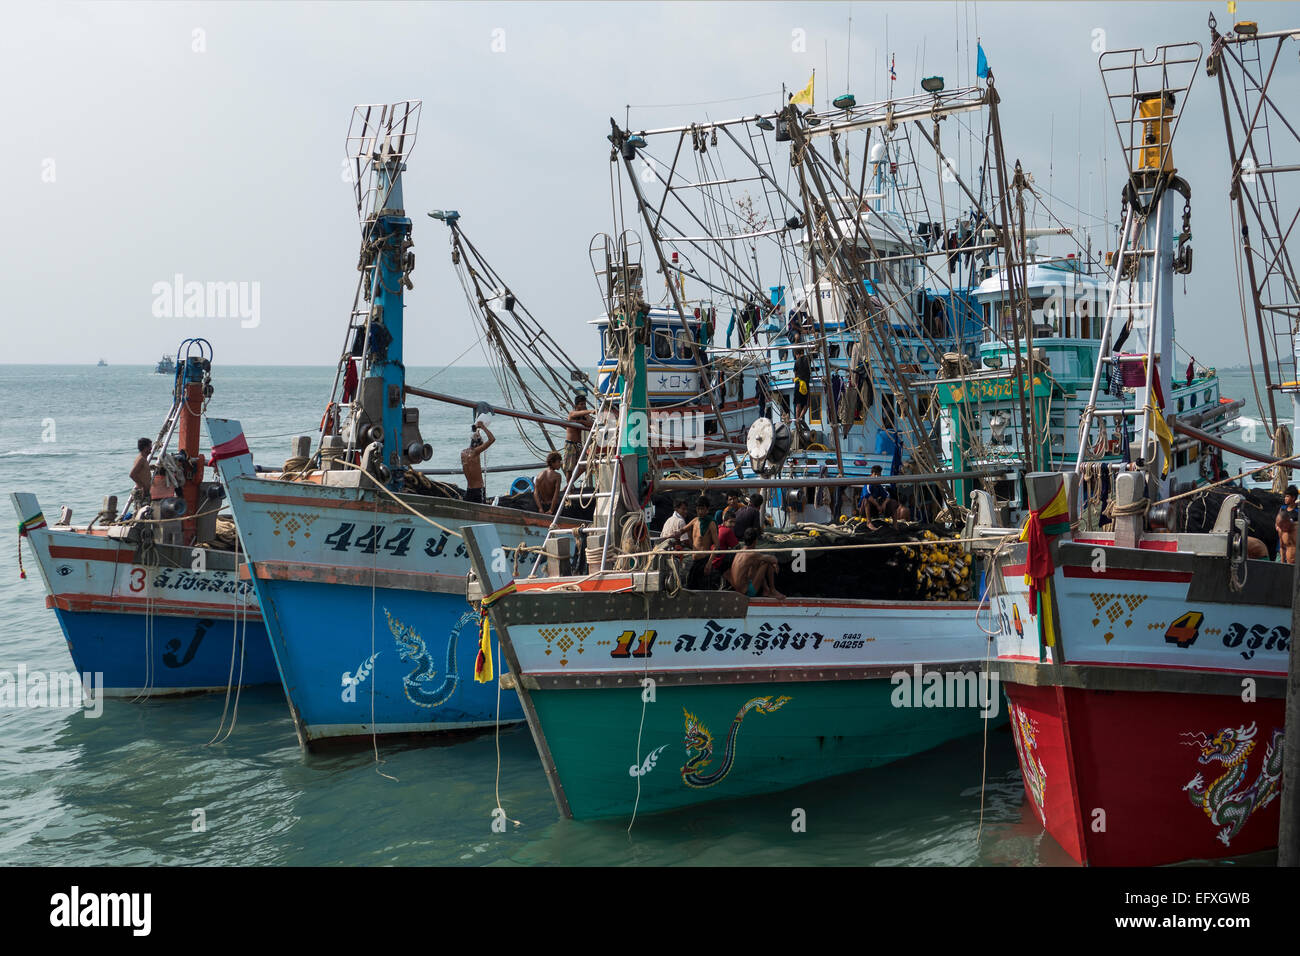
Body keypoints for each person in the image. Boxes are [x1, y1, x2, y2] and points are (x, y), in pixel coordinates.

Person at [729, 526, 783, 598]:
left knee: (759, 561)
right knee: (767, 562)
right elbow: (773, 559)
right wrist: (775, 564)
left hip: (738, 590)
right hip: (746, 592)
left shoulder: (739, 552)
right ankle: (772, 590)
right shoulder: (751, 554)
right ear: (755, 541)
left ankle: (766, 590)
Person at [681, 497, 719, 589]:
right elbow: (681, 530)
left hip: (704, 561)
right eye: (698, 509)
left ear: (707, 509)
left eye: (702, 509)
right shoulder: (695, 521)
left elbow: (717, 545)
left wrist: (709, 563)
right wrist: (670, 536)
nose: (700, 511)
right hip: (694, 562)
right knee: (691, 588)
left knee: (703, 590)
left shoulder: (711, 523)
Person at [460, 423, 495, 504]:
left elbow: (475, 442)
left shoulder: (463, 453)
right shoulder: (475, 452)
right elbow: (492, 439)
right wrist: (483, 427)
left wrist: (477, 433)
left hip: (469, 490)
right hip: (478, 491)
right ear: (479, 445)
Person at [564, 393, 594, 481]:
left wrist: (583, 420)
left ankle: (570, 484)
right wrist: (590, 411)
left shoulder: (583, 417)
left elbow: (591, 425)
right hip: (570, 444)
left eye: (584, 404)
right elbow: (574, 414)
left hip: (579, 445)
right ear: (576, 405)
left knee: (584, 465)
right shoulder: (572, 414)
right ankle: (569, 488)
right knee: (569, 468)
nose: (583, 406)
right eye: (581, 404)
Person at [710, 512, 739, 580]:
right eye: (730, 522)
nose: (733, 524)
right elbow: (737, 547)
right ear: (724, 521)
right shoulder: (727, 531)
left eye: (734, 522)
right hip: (719, 561)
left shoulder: (718, 528)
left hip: (713, 560)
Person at [1276, 485, 1298, 564]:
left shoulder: (1297, 512)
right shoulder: (1282, 509)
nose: (1285, 498)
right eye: (1285, 496)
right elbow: (1277, 523)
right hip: (1281, 543)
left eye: (1287, 496)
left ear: (1293, 498)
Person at [130, 437, 153, 509]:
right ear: (145, 448)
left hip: (145, 491)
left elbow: (142, 470)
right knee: (141, 513)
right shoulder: (141, 459)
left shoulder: (143, 459)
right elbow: (132, 474)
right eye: (150, 447)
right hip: (141, 492)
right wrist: (142, 486)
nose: (151, 449)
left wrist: (151, 467)